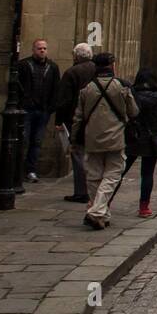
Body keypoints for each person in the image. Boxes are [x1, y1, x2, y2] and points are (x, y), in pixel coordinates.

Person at [73, 52, 138, 230]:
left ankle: (102, 215)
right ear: (112, 66)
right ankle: (97, 211)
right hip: (115, 138)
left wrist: (74, 139)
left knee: (94, 176)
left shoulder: (87, 88)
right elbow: (133, 112)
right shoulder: (122, 86)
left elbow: (78, 117)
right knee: (113, 175)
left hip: (92, 138)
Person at [116, 69, 157, 219]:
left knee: (119, 171)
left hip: (132, 137)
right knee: (147, 173)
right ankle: (144, 207)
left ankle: (105, 202)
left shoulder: (131, 94)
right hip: (151, 139)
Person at [55, 43, 97, 203]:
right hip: (96, 119)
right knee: (93, 157)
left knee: (78, 154)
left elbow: (64, 100)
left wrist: (59, 120)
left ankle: (81, 191)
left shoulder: (72, 72)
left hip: (76, 120)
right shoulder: (96, 70)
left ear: (75, 56)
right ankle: (94, 190)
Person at [17, 39, 59, 183]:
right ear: (33, 50)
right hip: (27, 109)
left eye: (44, 48)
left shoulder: (52, 67)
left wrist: (51, 107)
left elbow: (55, 88)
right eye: (39, 48)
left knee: (37, 141)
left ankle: (31, 170)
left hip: (43, 110)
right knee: (23, 140)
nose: (42, 51)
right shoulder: (24, 65)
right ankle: (18, 169)